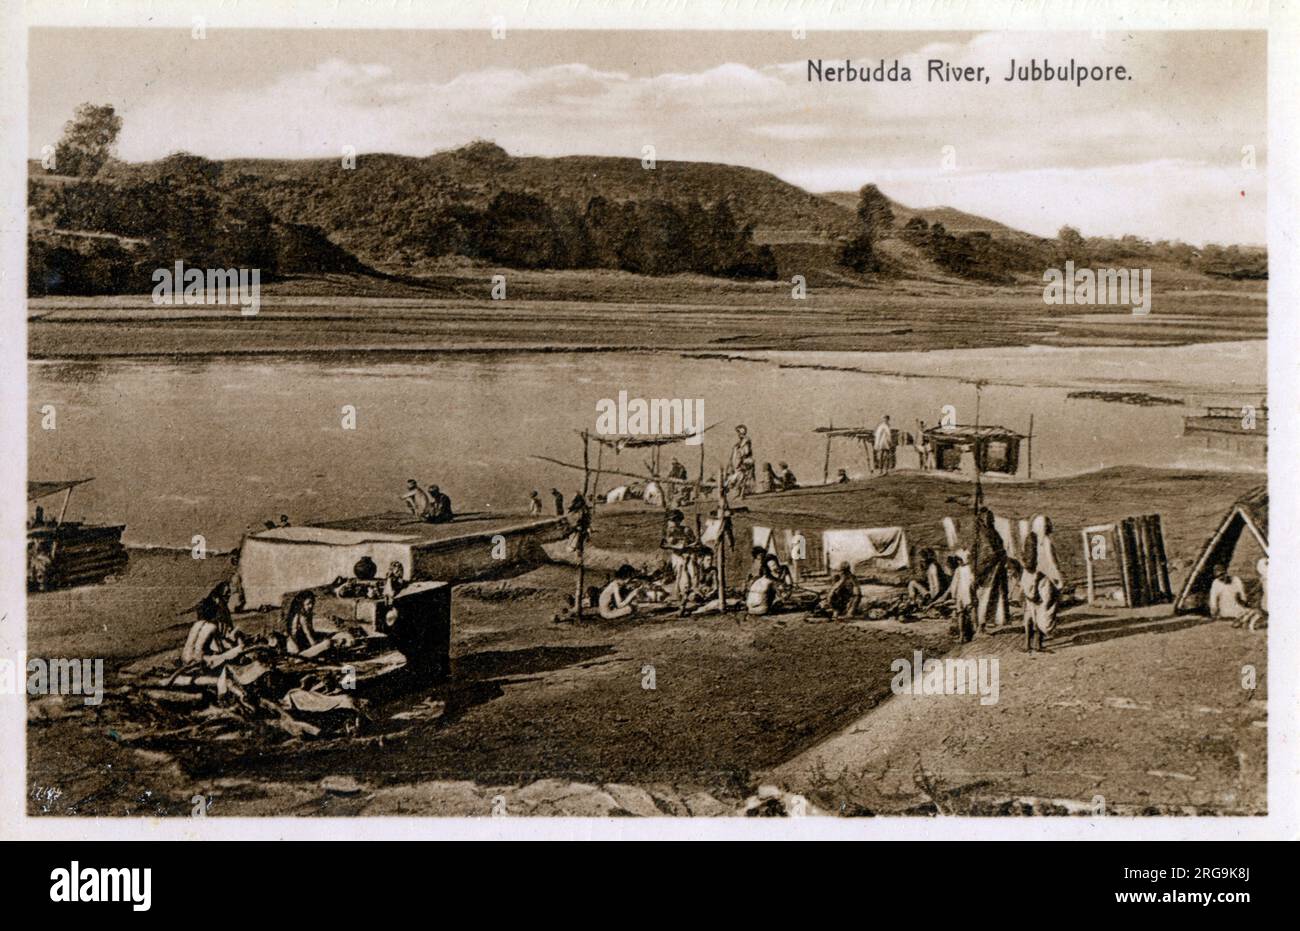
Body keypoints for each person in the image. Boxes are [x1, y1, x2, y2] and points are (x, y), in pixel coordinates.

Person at [181, 584, 247, 669]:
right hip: (200, 662)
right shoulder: (212, 626)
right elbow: (219, 648)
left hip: (187, 660)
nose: (229, 595)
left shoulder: (198, 624)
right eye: (226, 593)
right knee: (240, 648)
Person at [1028, 515, 1062, 651]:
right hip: (1047, 579)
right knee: (1047, 608)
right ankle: (1039, 642)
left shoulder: (1036, 541)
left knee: (1037, 609)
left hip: (1036, 578)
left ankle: (1037, 643)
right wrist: (1060, 579)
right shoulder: (1046, 541)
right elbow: (1052, 563)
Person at [973, 507, 1010, 631]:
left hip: (997, 568)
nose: (989, 519)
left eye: (990, 517)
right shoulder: (983, 533)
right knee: (986, 596)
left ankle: (990, 621)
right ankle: (981, 625)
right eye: (986, 518)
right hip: (988, 569)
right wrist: (1000, 553)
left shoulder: (992, 531)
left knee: (995, 595)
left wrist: (1001, 554)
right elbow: (988, 552)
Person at [661, 509, 698, 614]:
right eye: (670, 522)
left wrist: (687, 546)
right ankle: (682, 603)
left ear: (678, 521)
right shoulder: (668, 531)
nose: (671, 524)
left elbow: (695, 542)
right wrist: (674, 546)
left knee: (690, 577)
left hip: (688, 555)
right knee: (681, 579)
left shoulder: (686, 530)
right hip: (677, 557)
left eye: (673, 521)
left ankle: (684, 602)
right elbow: (663, 544)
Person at [283, 590, 323, 654]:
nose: (311, 606)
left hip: (301, 640)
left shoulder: (306, 613)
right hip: (296, 644)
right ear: (302, 604)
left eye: (312, 603)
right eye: (308, 603)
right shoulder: (301, 616)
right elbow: (307, 632)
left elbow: (310, 630)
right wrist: (314, 645)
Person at [730, 425, 756, 497]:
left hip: (744, 460)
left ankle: (742, 493)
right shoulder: (740, 442)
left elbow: (746, 451)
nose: (738, 434)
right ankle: (739, 492)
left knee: (742, 476)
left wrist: (740, 453)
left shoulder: (746, 440)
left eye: (738, 432)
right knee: (739, 476)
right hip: (739, 461)